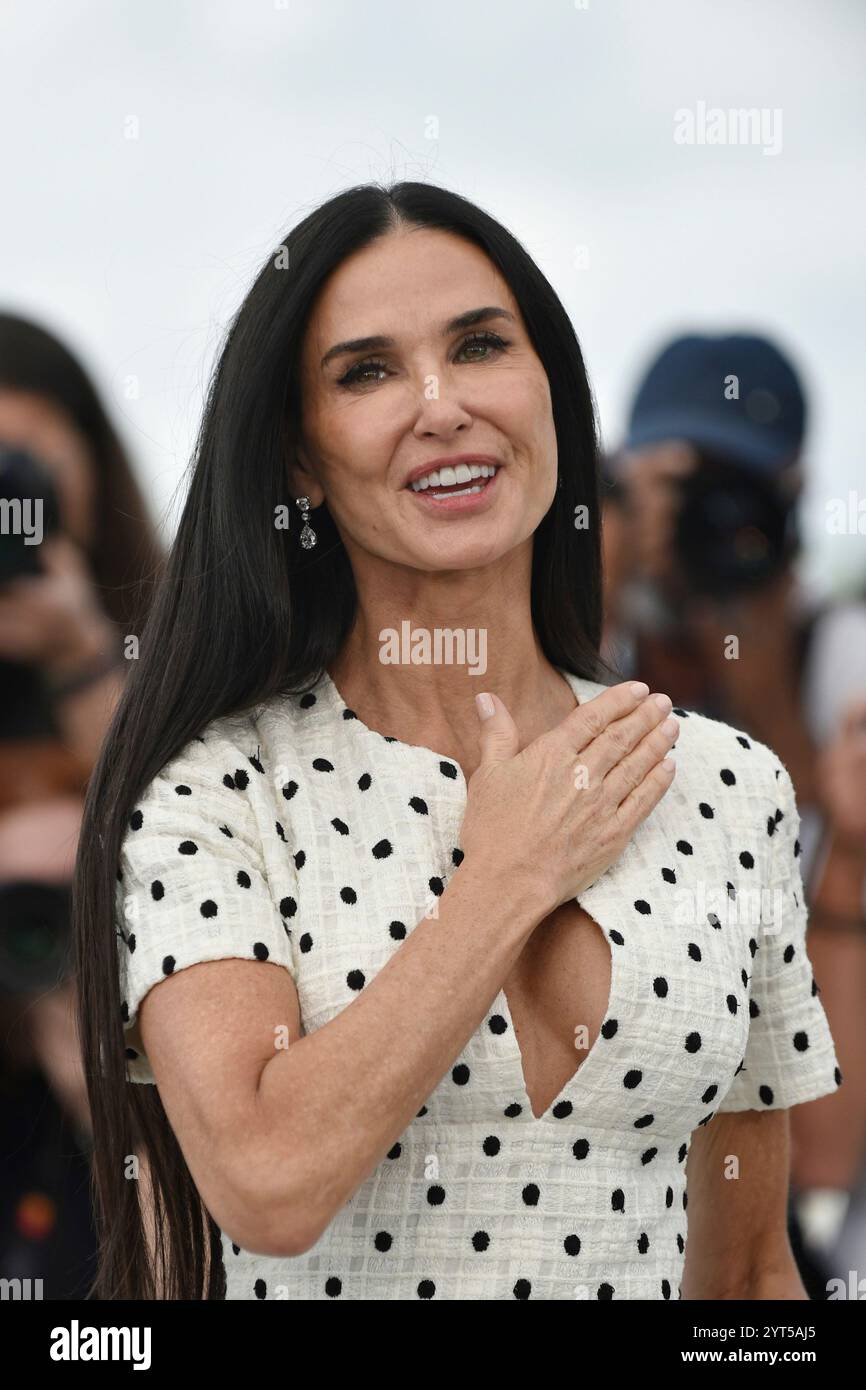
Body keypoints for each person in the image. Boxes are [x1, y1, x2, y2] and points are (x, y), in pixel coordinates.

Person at [75, 182, 841, 1301]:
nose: (440, 407)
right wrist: (509, 877)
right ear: (298, 457)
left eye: (479, 345)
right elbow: (269, 1182)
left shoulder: (726, 787)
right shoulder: (213, 787)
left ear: (549, 391)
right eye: (367, 372)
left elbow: (744, 1272)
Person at [601, 332, 866, 1287]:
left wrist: (749, 648)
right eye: (680, 492)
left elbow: (816, 821)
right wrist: (609, 567)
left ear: (793, 496)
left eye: (738, 492)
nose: (714, 521)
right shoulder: (584, 649)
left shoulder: (843, 658)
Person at [0, 312, 165, 1296]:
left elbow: (191, 846)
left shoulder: (170, 649)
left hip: (128, 1136)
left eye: (23, 469)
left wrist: (79, 655)